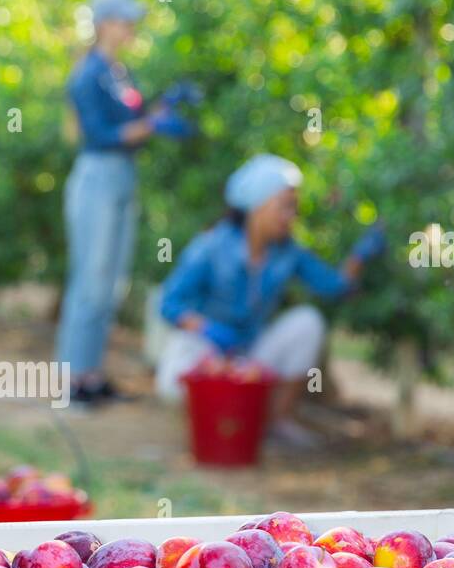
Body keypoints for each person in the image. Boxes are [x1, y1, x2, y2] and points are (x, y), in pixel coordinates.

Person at [155, 153, 386, 447]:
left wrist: (360, 256)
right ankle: (207, 425)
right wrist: (205, 328)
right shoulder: (211, 246)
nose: (291, 216)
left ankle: (277, 420)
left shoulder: (288, 252)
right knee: (172, 383)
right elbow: (170, 303)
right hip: (207, 349)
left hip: (251, 353)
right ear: (258, 207)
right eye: (285, 207)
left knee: (308, 322)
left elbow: (334, 286)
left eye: (294, 208)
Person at [56, 0, 194, 407]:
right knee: (90, 282)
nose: (131, 27)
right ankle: (70, 384)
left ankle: (92, 375)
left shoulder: (120, 71)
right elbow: (100, 135)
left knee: (113, 283)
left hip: (121, 178)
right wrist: (154, 123)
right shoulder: (87, 75)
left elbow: (133, 118)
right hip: (97, 177)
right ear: (104, 24)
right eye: (124, 20)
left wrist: (161, 107)